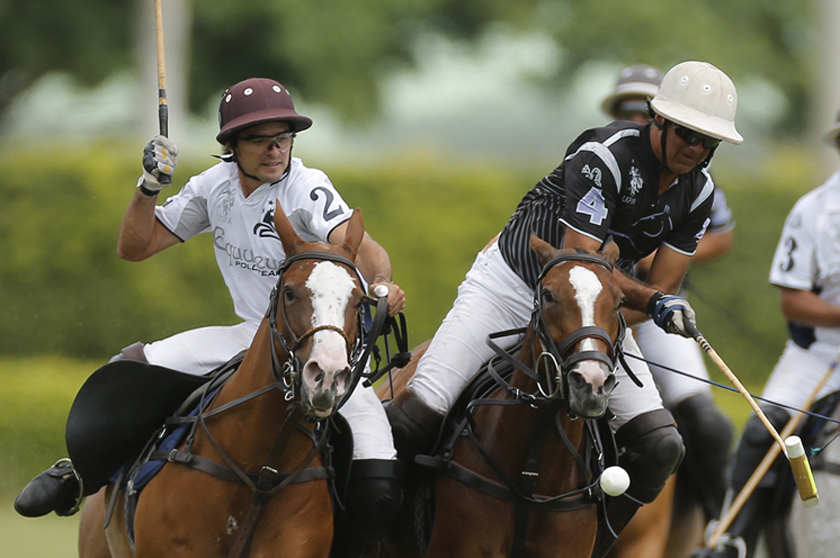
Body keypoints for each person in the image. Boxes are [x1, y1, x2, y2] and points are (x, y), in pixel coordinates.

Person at [14, 77, 406, 558]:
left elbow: (365, 252)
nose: (275, 150)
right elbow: (134, 247)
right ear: (232, 145)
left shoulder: (307, 187)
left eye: (282, 138)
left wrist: (382, 286)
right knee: (130, 370)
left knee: (380, 478)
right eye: (260, 140)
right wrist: (148, 188)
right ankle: (79, 472)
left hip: (315, 343)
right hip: (249, 336)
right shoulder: (211, 188)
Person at [384, 60, 744, 558]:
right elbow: (578, 263)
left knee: (662, 447)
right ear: (657, 119)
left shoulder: (698, 191)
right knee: (414, 418)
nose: (696, 149)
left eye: (709, 142)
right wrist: (657, 302)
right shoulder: (606, 156)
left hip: (592, 308)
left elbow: (660, 284)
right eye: (687, 133)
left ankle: (594, 542)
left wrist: (657, 304)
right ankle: (381, 539)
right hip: (511, 285)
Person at [704, 106, 840, 558]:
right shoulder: (815, 211)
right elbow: (793, 299)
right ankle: (733, 536)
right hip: (820, 355)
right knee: (764, 430)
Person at [602, 64, 736, 523]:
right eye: (629, 110)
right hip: (586, 303)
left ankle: (717, 527)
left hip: (650, 310)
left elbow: (722, 236)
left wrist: (662, 260)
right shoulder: (605, 159)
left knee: (707, 422)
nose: (636, 119)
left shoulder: (695, 176)